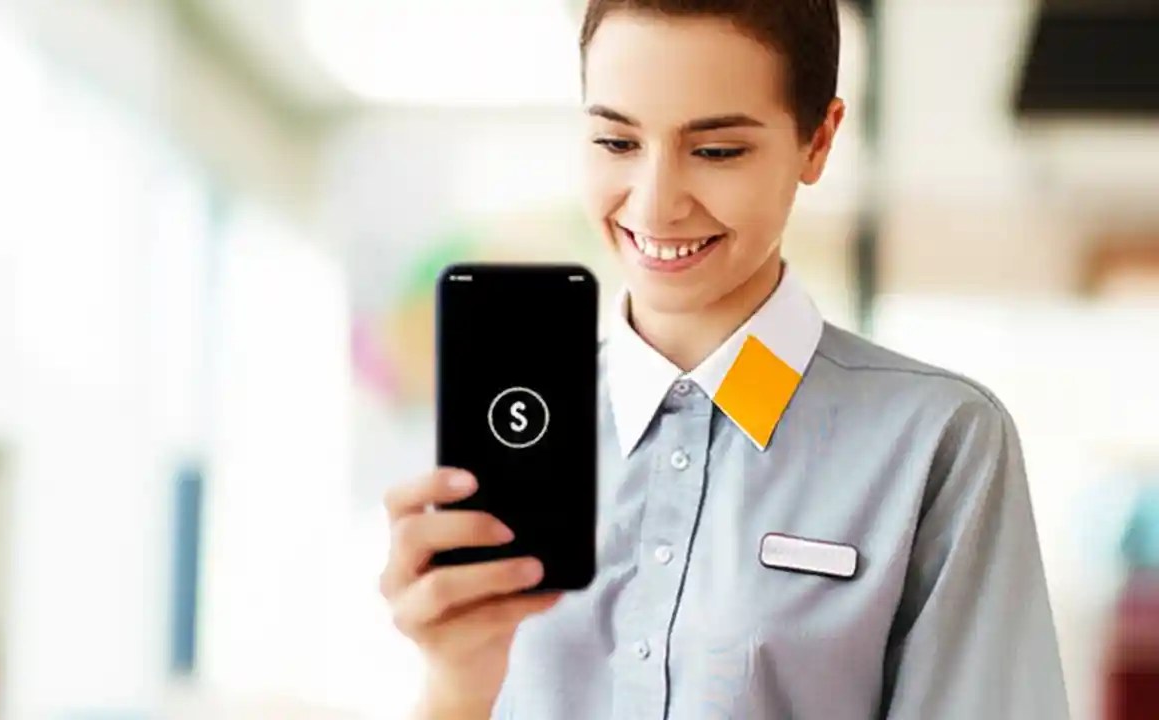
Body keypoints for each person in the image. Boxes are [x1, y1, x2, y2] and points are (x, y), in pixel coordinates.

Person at [379, 1, 1070, 717]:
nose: (656, 206)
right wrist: (454, 682)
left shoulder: (936, 442)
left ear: (818, 141)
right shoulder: (509, 430)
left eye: (715, 151)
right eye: (617, 141)